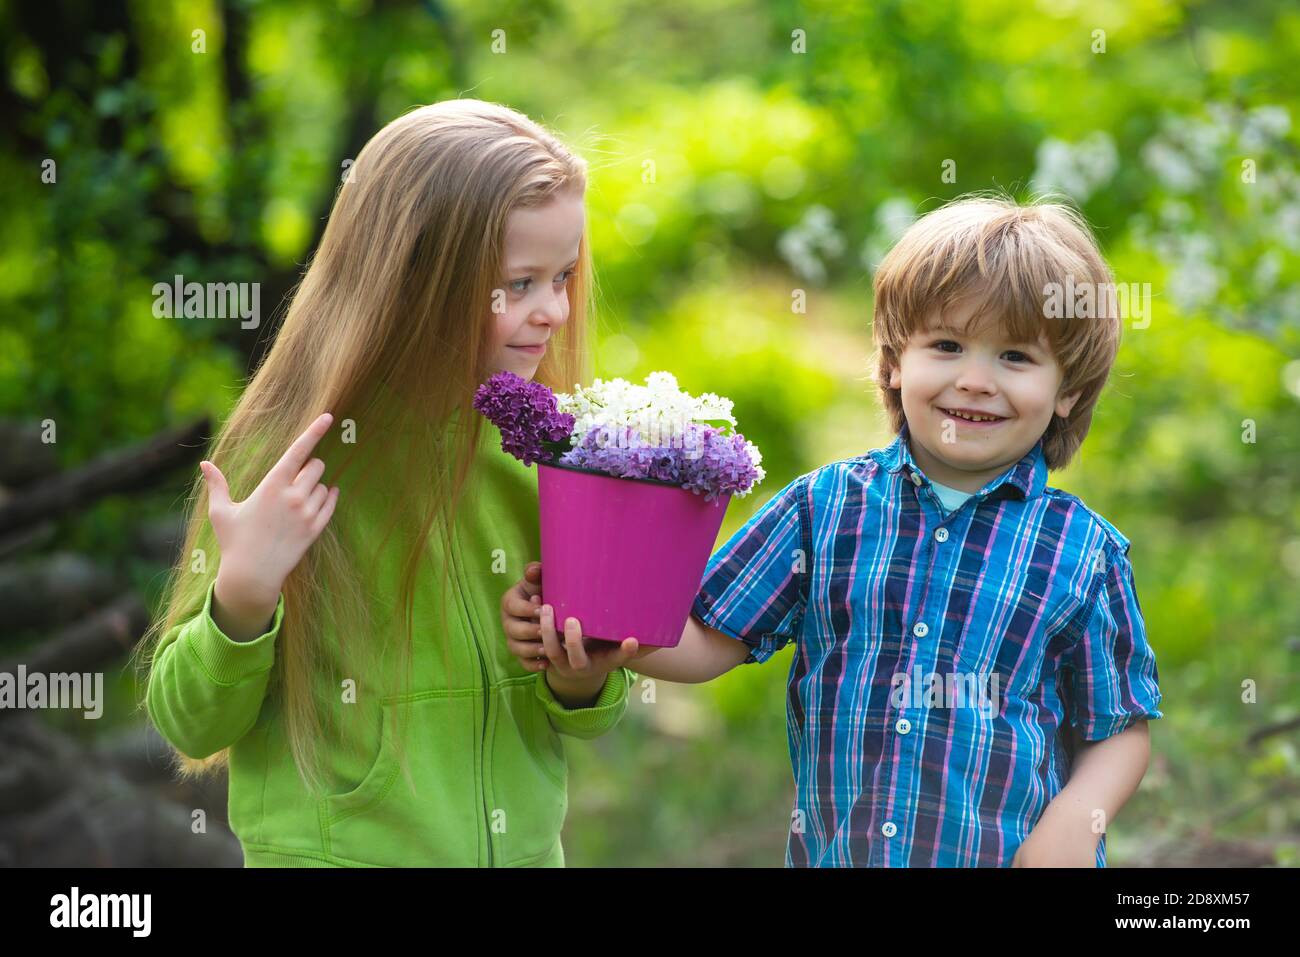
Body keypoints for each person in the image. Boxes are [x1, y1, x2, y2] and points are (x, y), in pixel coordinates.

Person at [503, 194, 1163, 866]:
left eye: (1015, 357)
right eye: (947, 345)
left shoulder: (1084, 552)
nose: (974, 380)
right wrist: (605, 622)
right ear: (895, 360)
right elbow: (704, 639)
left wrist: (1081, 818)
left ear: (1068, 391)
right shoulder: (825, 507)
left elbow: (1118, 726)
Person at [137, 99, 638, 868]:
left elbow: (583, 718)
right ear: (411, 278)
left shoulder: (546, 452)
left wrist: (579, 678)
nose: (554, 311)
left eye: (564, 276)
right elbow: (189, 723)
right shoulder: (292, 455)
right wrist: (242, 592)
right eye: (520, 283)